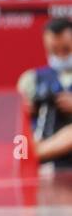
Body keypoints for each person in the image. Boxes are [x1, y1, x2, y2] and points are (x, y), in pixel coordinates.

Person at [17, 18, 72, 168]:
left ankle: (33, 154)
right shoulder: (31, 79)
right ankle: (31, 153)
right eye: (54, 51)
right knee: (20, 138)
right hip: (41, 143)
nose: (60, 55)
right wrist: (25, 110)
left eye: (66, 49)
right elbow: (14, 124)